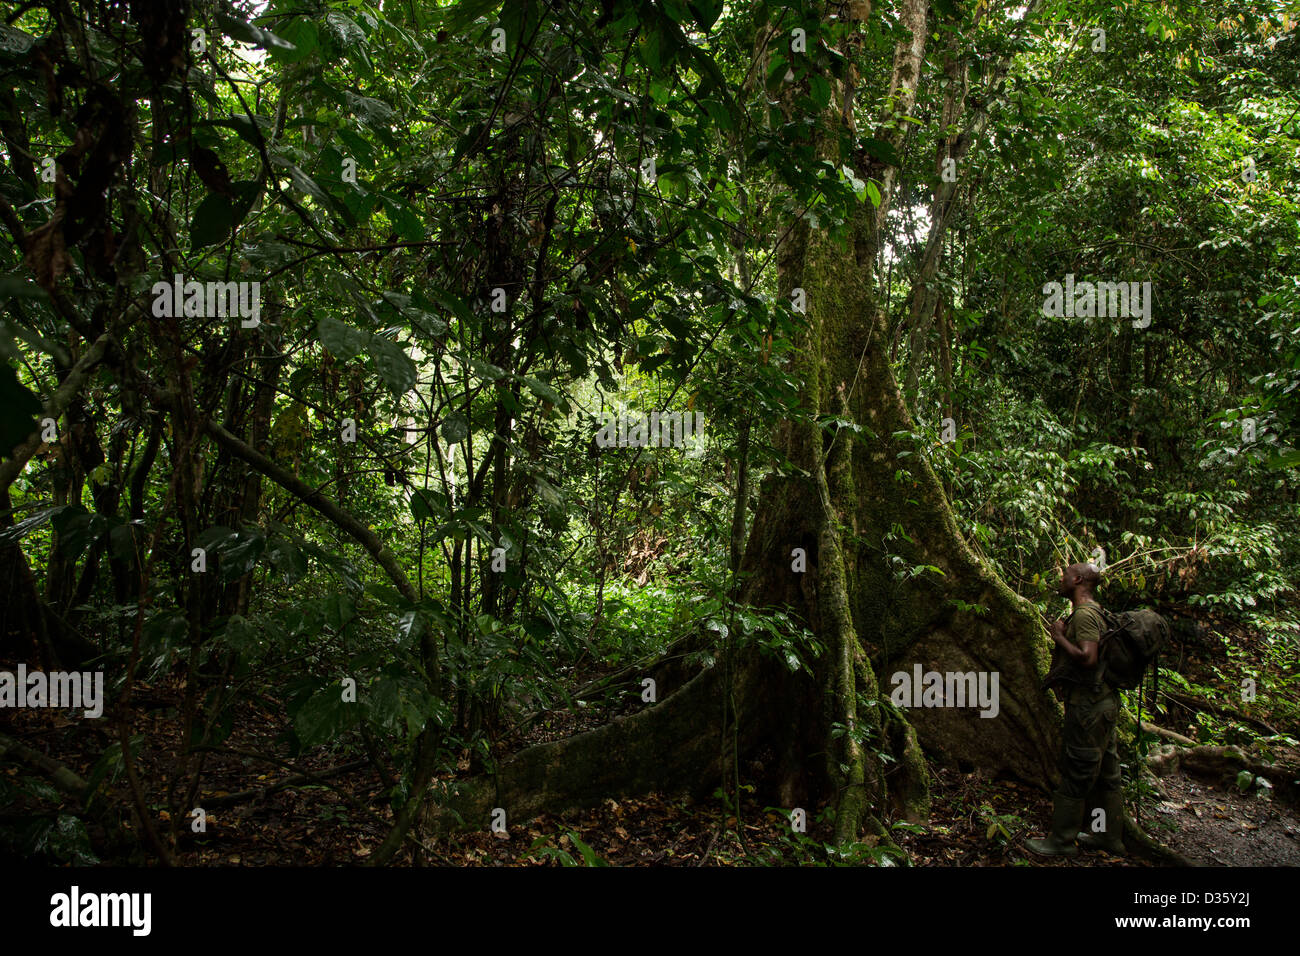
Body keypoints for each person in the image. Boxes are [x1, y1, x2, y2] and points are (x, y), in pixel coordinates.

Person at [1025, 561, 1125, 857]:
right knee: (1108, 773)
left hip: (1088, 707)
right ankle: (1108, 836)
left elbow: (1087, 657)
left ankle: (1061, 841)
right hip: (1103, 703)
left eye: (1066, 574)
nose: (1061, 577)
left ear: (1078, 580)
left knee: (1077, 771)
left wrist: (1057, 637)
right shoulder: (1096, 611)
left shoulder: (1083, 615)